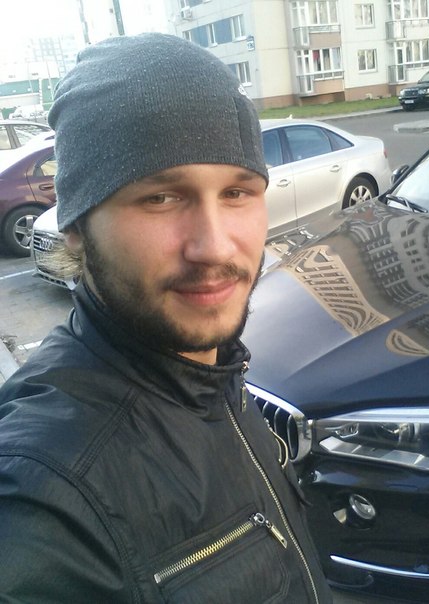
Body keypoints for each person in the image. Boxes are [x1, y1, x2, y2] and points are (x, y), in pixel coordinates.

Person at [0, 33, 332, 603]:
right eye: (160, 198)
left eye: (237, 192)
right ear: (76, 224)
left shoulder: (215, 376)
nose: (214, 246)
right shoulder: (44, 494)